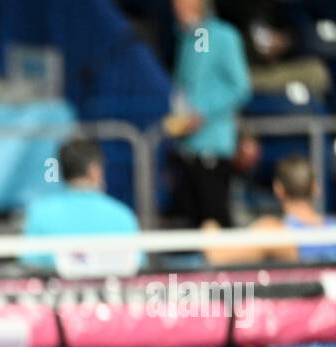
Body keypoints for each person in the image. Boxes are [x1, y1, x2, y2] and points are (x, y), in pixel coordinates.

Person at [164, 0, 251, 227]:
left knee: (216, 220)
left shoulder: (224, 36)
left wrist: (202, 112)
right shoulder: (185, 39)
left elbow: (240, 87)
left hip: (214, 149)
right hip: (186, 149)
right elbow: (185, 89)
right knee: (191, 222)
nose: (176, 6)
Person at [20, 137, 143, 273]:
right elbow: (138, 264)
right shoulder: (123, 216)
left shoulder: (40, 213)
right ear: (94, 170)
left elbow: (30, 264)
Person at [203, 153, 336, 265]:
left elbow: (216, 256)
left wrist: (209, 228)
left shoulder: (275, 233)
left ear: (278, 189)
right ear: (315, 188)